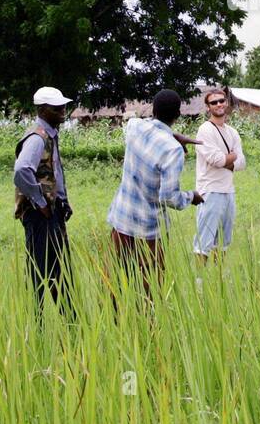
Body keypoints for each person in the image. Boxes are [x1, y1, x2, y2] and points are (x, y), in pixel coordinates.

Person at [105, 89, 203, 299]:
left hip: (121, 221)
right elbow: (168, 197)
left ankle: (117, 327)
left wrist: (172, 136)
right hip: (149, 232)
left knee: (115, 285)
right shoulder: (172, 150)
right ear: (177, 115)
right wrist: (191, 196)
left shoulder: (134, 127)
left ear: (153, 109)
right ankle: (146, 331)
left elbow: (143, 124)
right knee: (148, 293)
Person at [14, 86, 75, 318]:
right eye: (56, 107)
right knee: (42, 271)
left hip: (51, 214)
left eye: (63, 106)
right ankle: (40, 325)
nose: (62, 110)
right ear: (42, 109)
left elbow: (53, 172)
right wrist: (39, 201)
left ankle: (68, 321)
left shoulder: (49, 135)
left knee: (59, 270)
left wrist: (62, 201)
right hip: (41, 217)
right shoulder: (37, 138)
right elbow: (21, 171)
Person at [193, 87, 245, 261]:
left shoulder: (232, 132)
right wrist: (231, 157)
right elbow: (216, 160)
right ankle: (199, 284)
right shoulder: (205, 130)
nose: (218, 105)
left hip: (228, 191)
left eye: (221, 101)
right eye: (213, 102)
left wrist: (228, 159)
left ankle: (217, 281)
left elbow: (242, 163)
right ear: (208, 107)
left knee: (223, 242)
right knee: (204, 242)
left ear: (227, 102)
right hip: (210, 191)